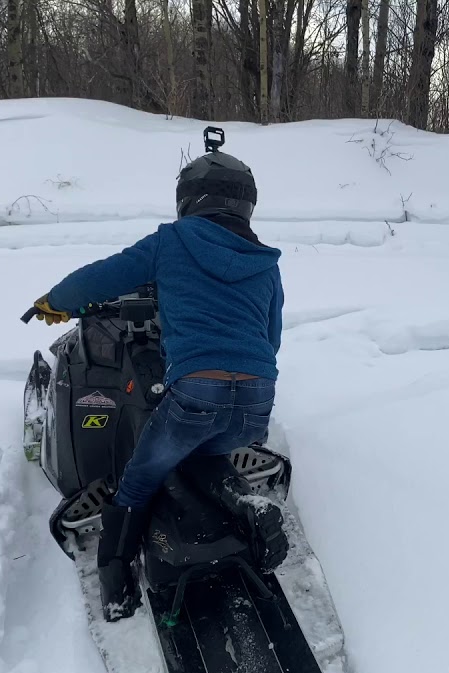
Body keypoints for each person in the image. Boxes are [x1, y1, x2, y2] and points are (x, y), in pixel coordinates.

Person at [27, 144, 288, 621]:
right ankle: (243, 499)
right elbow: (269, 338)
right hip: (256, 400)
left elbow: (104, 277)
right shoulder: (264, 262)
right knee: (205, 451)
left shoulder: (174, 241)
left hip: (196, 394)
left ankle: (116, 583)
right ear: (246, 203)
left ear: (190, 199)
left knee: (140, 478)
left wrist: (57, 300)